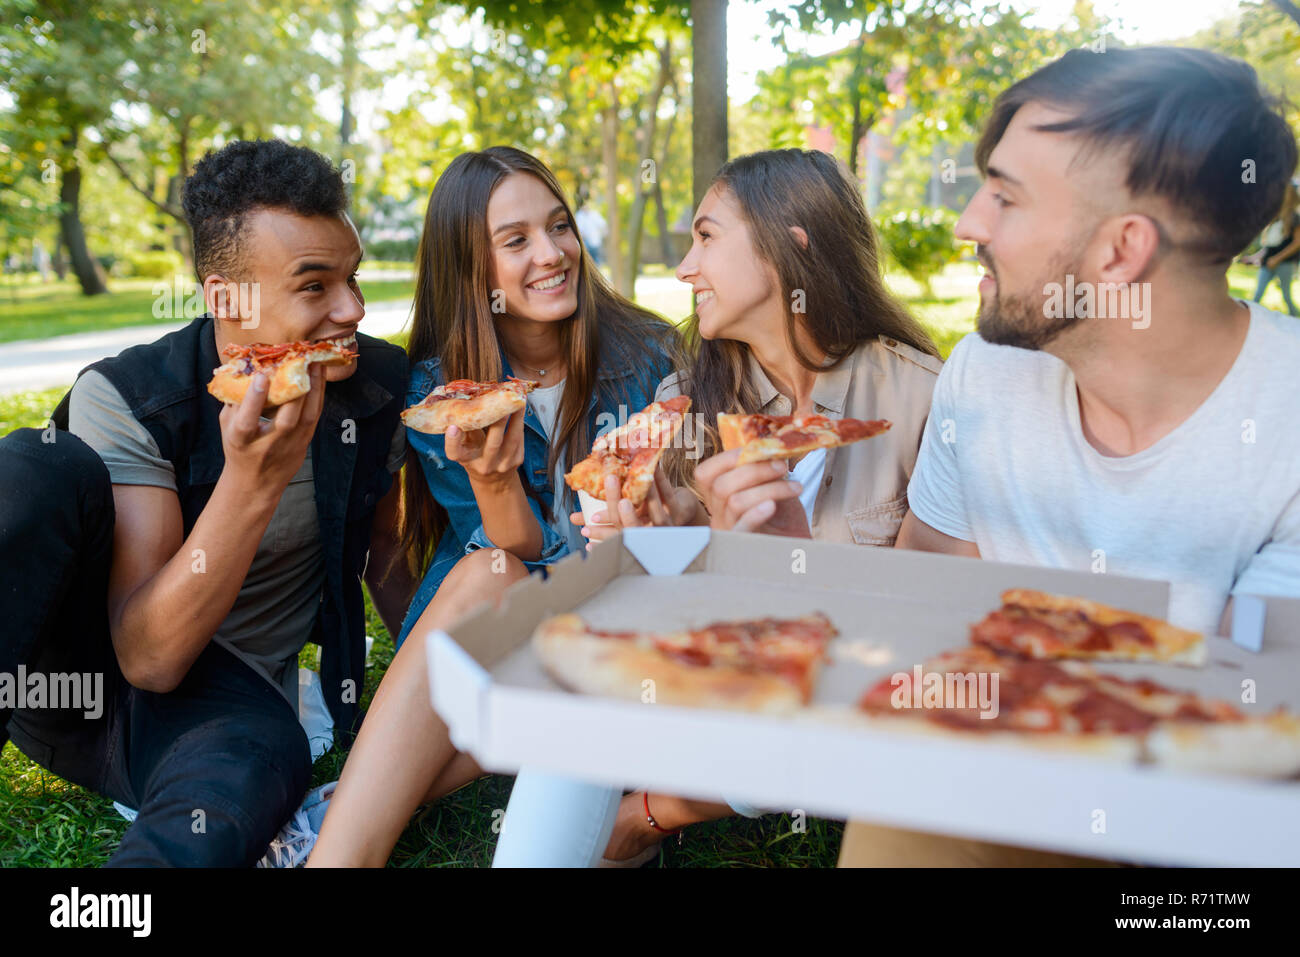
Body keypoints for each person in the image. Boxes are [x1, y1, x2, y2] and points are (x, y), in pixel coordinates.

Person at [833, 45, 1300, 866]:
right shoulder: (986, 371)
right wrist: (783, 546)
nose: (968, 223)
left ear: (1120, 252)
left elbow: (1246, 732)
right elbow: (929, 604)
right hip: (977, 766)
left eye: (1005, 199)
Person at [490, 148, 944, 867]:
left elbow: (938, 626)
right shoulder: (692, 396)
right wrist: (654, 545)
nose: (684, 268)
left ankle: (643, 818)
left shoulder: (925, 400)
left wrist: (774, 566)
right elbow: (682, 606)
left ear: (787, 246)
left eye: (706, 237)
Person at [0, 139, 413, 866]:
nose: (352, 308)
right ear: (226, 297)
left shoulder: (375, 386)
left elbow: (388, 559)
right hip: (76, 687)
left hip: (226, 711)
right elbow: (147, 655)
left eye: (351, 276)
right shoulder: (130, 394)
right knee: (33, 462)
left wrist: (460, 683)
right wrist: (251, 482)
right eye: (314, 287)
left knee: (258, 760)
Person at [306, 146, 683, 867]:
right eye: (515, 241)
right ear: (471, 268)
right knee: (490, 569)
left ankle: (336, 815)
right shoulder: (441, 391)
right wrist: (495, 481)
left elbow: (660, 543)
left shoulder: (653, 357)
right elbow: (518, 554)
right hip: (499, 616)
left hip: (620, 624)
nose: (552, 253)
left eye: (559, 226)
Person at [1248, 181, 1299, 316]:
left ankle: (1295, 321)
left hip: (1285, 263)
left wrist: (1277, 259)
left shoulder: (1295, 219)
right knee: (1258, 294)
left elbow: (1297, 243)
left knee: (1286, 295)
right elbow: (1269, 246)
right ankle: (1248, 322)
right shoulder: (1275, 219)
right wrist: (1254, 257)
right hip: (1268, 261)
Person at [574, 202, 607, 267]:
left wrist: (602, 235)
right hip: (586, 245)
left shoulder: (594, 214)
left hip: (596, 243)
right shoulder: (579, 216)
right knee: (589, 264)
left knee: (597, 263)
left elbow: (603, 225)